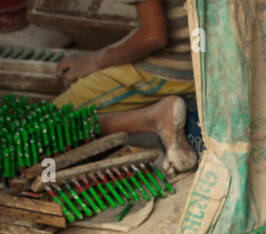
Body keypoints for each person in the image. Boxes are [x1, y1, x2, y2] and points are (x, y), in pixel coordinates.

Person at [54, 0, 197, 174]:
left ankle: (154, 118)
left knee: (53, 124)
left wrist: (94, 62)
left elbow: (153, 37)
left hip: (175, 67)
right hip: (200, 58)